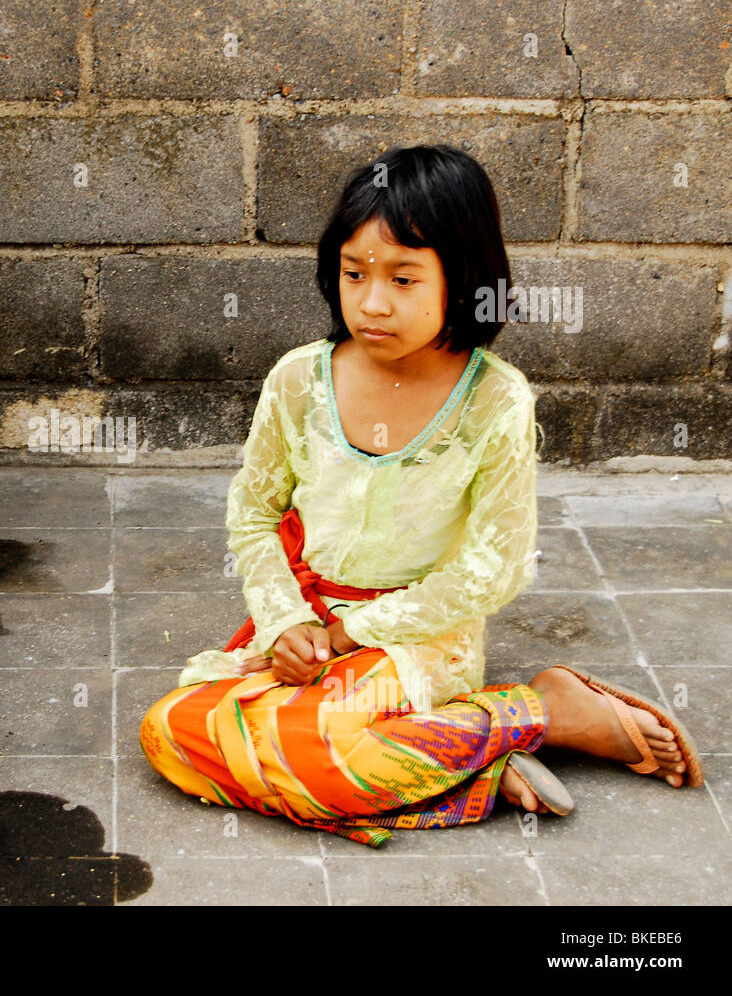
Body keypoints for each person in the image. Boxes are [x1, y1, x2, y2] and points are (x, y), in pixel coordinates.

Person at [138, 145, 702, 847]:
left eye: (404, 278)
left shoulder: (495, 401)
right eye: (354, 273)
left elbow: (491, 572)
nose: (372, 302)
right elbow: (253, 515)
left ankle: (546, 710)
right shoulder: (297, 380)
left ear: (463, 279)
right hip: (307, 628)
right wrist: (285, 624)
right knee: (169, 732)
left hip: (417, 637)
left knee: (324, 746)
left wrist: (352, 634)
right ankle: (481, 768)